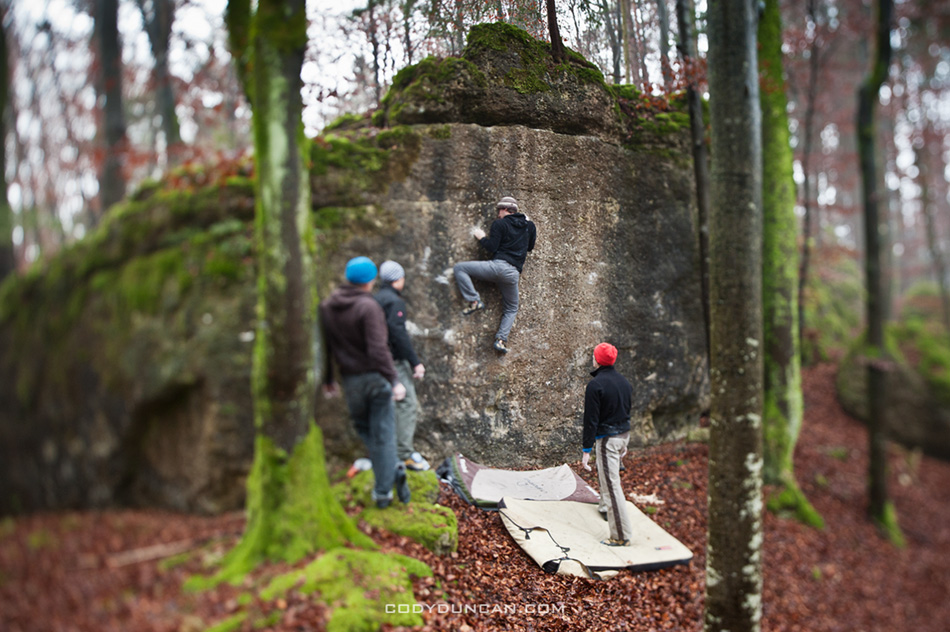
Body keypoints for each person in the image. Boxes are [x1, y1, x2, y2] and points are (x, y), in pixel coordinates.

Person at [320, 256, 410, 509]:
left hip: (350, 381)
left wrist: (328, 379)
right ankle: (384, 491)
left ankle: (389, 468)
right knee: (383, 434)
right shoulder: (368, 307)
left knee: (364, 429)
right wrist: (394, 380)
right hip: (376, 379)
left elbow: (326, 345)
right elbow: (378, 349)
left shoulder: (328, 306)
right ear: (371, 281)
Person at [453, 196, 537, 354]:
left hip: (497, 267)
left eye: (499, 210)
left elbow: (492, 247)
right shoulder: (529, 226)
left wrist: (481, 237)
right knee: (511, 308)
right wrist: (529, 227)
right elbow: (530, 247)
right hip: (512, 274)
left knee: (460, 268)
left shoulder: (500, 223)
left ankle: (474, 300)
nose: (498, 214)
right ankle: (501, 340)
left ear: (505, 209)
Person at [375, 260, 429, 472]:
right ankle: (404, 454)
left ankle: (383, 452)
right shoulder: (394, 302)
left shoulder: (375, 300)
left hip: (375, 361)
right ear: (398, 279)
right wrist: (415, 362)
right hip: (393, 362)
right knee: (406, 403)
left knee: (384, 405)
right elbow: (398, 334)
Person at [580, 342, 633, 546]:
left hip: (608, 440)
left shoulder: (596, 385)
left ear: (597, 360)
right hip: (622, 435)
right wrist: (624, 442)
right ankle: (604, 507)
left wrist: (586, 449)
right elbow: (625, 412)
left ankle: (620, 536)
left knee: (612, 486)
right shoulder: (624, 382)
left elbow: (591, 420)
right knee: (607, 476)